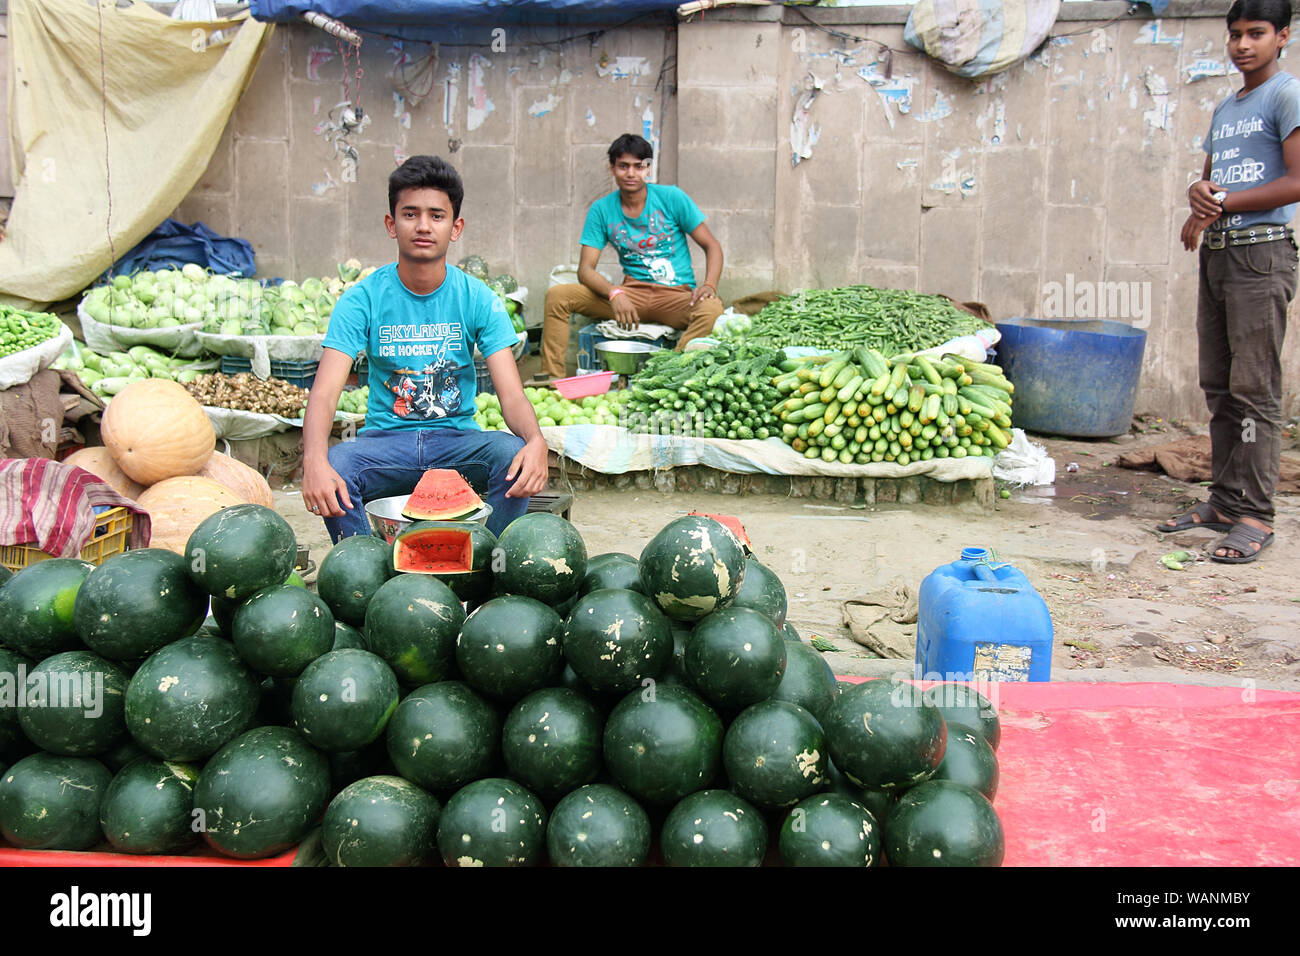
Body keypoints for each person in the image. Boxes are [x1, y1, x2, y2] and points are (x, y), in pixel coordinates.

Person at [302, 155, 549, 539]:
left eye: (437, 215)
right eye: (410, 214)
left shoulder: (478, 298)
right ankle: (360, 573)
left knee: (510, 454)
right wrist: (313, 460)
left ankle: (490, 568)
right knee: (336, 463)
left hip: (458, 445)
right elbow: (324, 393)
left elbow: (512, 396)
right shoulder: (361, 299)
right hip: (384, 447)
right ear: (391, 223)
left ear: (455, 227)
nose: (422, 226)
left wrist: (535, 441)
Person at [1167, 0, 1300, 562]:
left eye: (1256, 33)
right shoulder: (1227, 107)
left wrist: (1225, 202)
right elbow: (1211, 181)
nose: (1243, 44)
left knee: (1254, 391)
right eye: (1235, 35)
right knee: (1218, 385)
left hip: (1261, 255)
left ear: (1282, 36)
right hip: (1220, 257)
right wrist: (1199, 208)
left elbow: (1296, 181)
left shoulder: (1285, 94)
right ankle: (1223, 500)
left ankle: (1255, 514)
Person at [536, 133, 725, 381]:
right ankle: (550, 380)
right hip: (631, 298)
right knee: (559, 296)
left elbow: (712, 246)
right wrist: (614, 293)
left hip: (675, 297)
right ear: (612, 168)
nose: (631, 173)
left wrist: (709, 285)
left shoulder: (671, 198)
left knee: (712, 309)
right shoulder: (602, 210)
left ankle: (667, 373)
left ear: (648, 169)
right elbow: (586, 270)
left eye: (639, 166)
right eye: (623, 166)